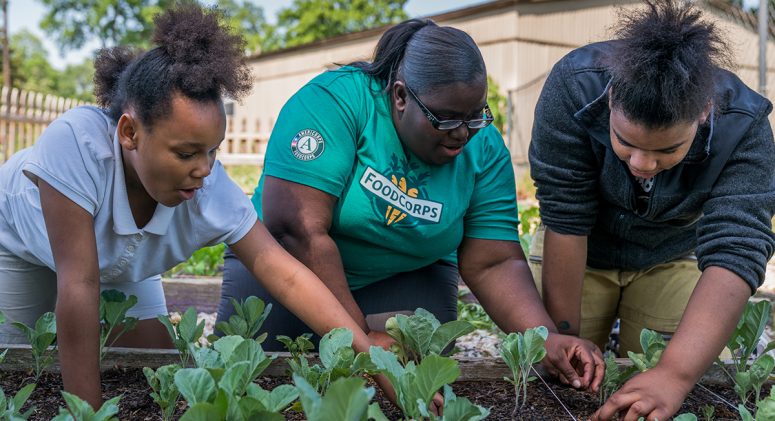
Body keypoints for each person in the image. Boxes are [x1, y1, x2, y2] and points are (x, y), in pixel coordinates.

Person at [0, 4, 377, 409]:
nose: (204, 169)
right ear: (129, 132)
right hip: (23, 248)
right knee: (21, 369)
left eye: (213, 151)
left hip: (120, 262)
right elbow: (79, 284)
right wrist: (88, 416)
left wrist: (375, 361)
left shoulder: (210, 188)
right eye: (186, 153)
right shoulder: (76, 145)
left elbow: (286, 276)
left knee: (154, 372)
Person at [218, 18, 605, 391]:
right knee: (259, 380)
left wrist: (544, 338)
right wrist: (363, 341)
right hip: (288, 267)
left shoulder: (483, 147)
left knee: (410, 385)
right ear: (400, 96)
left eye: (474, 116)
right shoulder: (336, 102)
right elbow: (296, 228)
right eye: (446, 118)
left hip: (403, 274)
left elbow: (495, 261)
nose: (462, 134)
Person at [527, 1, 775, 419]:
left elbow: (737, 248)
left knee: (683, 367)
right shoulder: (573, 85)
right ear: (610, 100)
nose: (642, 164)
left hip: (672, 253)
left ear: (704, 113)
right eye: (625, 142)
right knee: (544, 360)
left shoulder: (745, 127)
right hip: (581, 250)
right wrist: (564, 339)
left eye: (668, 149)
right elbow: (566, 216)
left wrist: (675, 374)